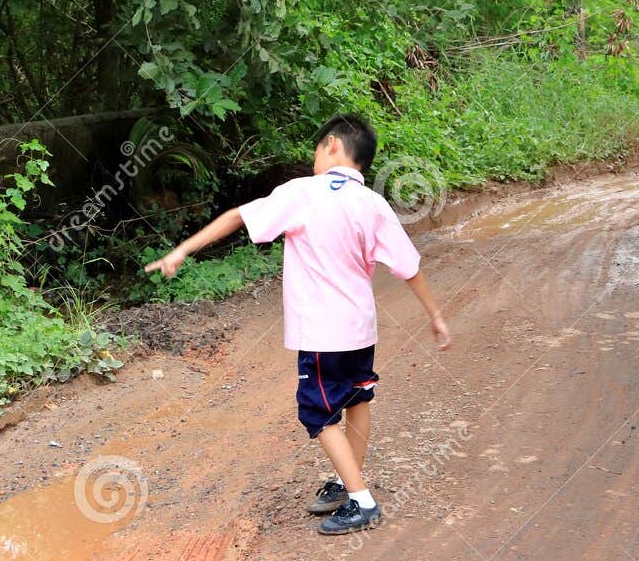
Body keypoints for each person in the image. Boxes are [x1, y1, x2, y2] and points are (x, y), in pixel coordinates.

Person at [144, 114, 451, 534]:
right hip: (360, 327)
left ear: (331, 145)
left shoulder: (304, 193)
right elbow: (409, 266)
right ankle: (349, 481)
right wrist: (434, 315)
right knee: (357, 399)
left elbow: (237, 216)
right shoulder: (374, 203)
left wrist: (182, 250)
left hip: (323, 332)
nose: (314, 157)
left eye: (316, 149)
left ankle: (362, 502)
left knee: (318, 413)